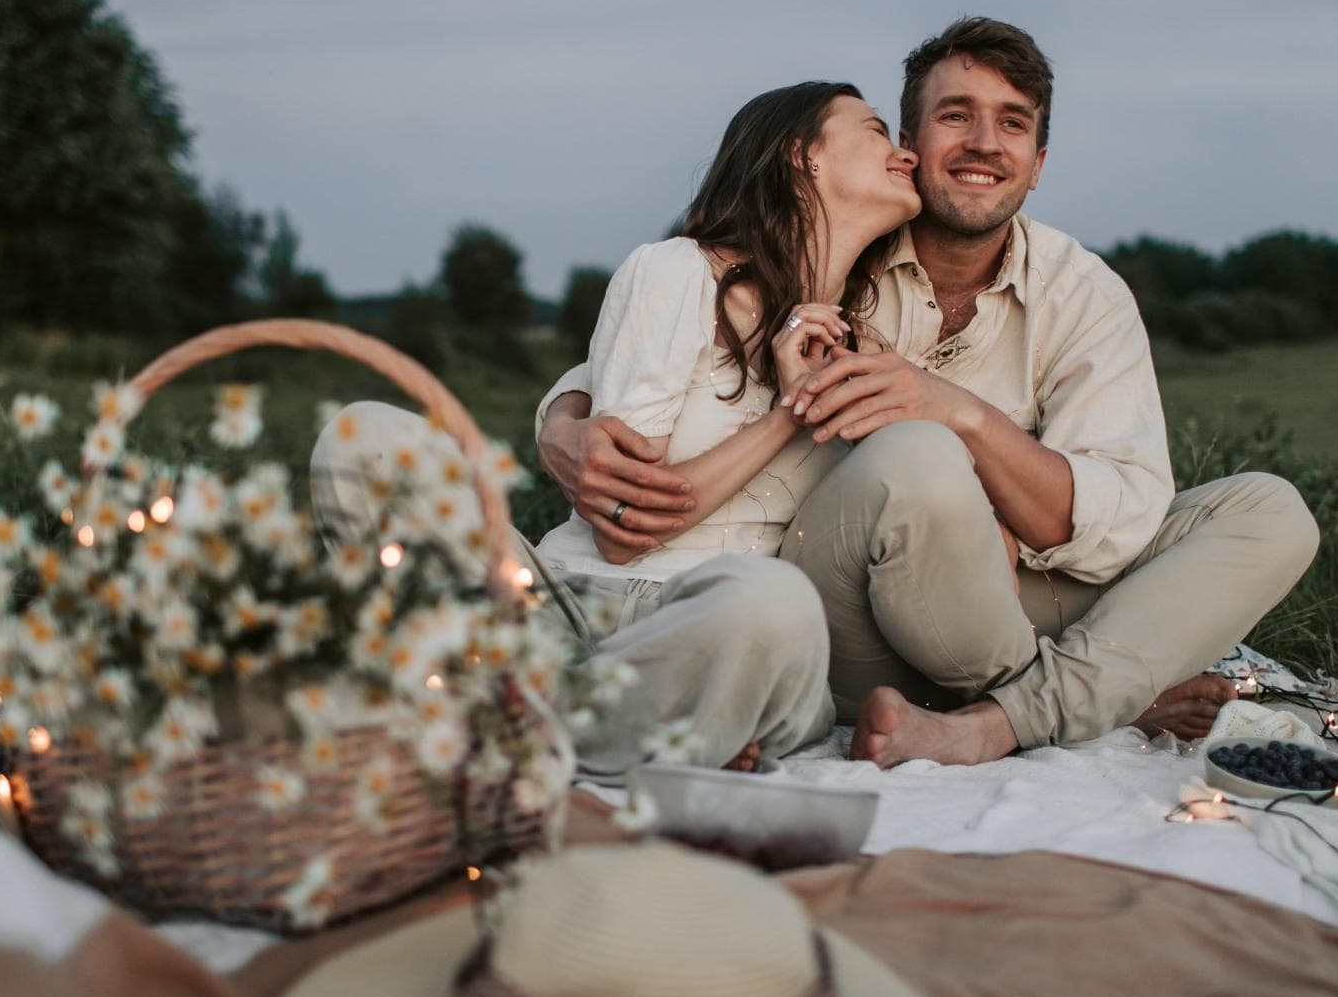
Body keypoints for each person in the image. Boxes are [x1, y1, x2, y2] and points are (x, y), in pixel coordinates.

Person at [536, 16, 1321, 768]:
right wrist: (564, 419)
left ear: (1038, 162)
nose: (984, 143)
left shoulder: (1083, 295)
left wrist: (964, 419)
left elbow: (1117, 518)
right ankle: (1081, 701)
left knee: (1269, 512)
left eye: (1013, 123)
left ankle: (1011, 713)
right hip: (851, 601)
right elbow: (685, 339)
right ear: (910, 148)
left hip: (999, 591)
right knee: (917, 456)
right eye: (955, 115)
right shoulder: (843, 246)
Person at [312, 81, 921, 779]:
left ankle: (517, 720)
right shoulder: (677, 274)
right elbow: (625, 528)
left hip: (713, 631)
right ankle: (621, 727)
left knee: (774, 602)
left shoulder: (875, 342)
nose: (903, 153)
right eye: (875, 129)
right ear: (800, 155)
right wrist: (790, 411)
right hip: (561, 609)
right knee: (365, 440)